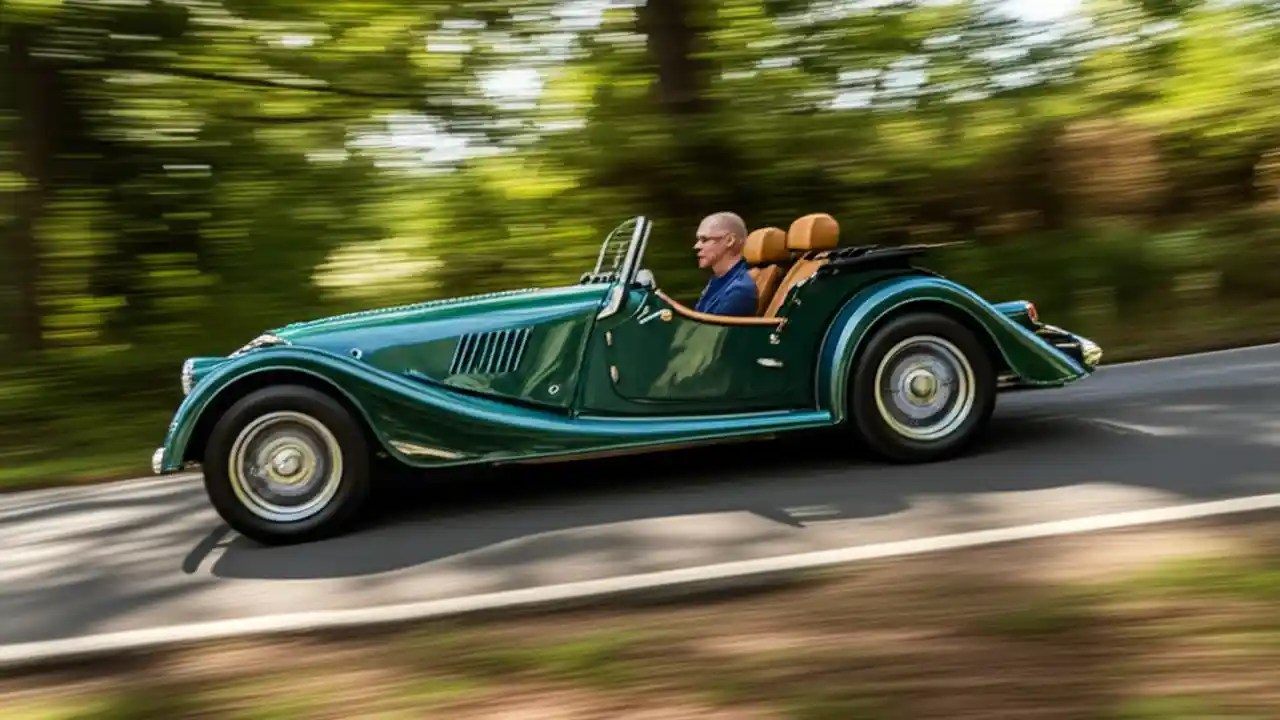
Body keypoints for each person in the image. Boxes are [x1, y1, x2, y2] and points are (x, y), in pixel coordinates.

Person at [692, 211, 758, 317]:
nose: (697, 246)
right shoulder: (721, 282)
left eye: (704, 240)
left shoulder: (738, 291)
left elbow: (712, 332)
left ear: (730, 240)